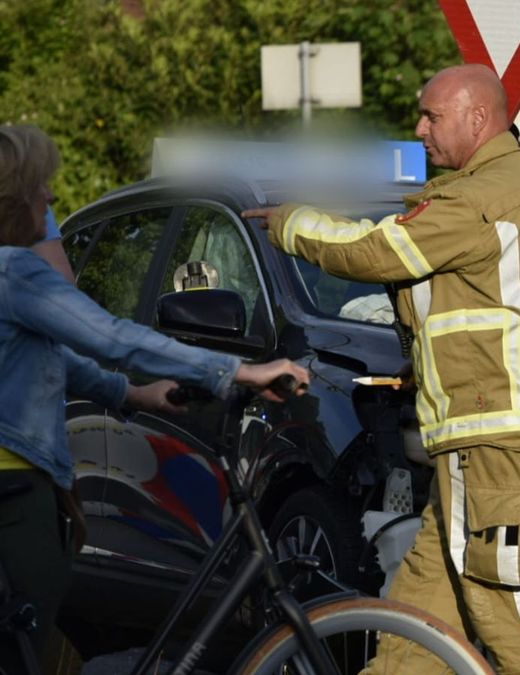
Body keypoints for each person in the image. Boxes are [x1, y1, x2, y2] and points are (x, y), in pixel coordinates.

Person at [244, 64, 520, 674]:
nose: (419, 128)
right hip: (491, 433)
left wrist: (293, 225)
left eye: (432, 115)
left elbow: (379, 251)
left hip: (493, 433)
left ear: (477, 117)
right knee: (422, 616)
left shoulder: (480, 198)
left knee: (511, 596)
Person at [0, 124, 311, 672]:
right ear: (14, 195)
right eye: (40, 185)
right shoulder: (15, 271)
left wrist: (134, 393)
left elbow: (45, 363)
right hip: (13, 484)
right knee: (23, 635)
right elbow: (113, 337)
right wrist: (239, 371)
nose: (49, 198)